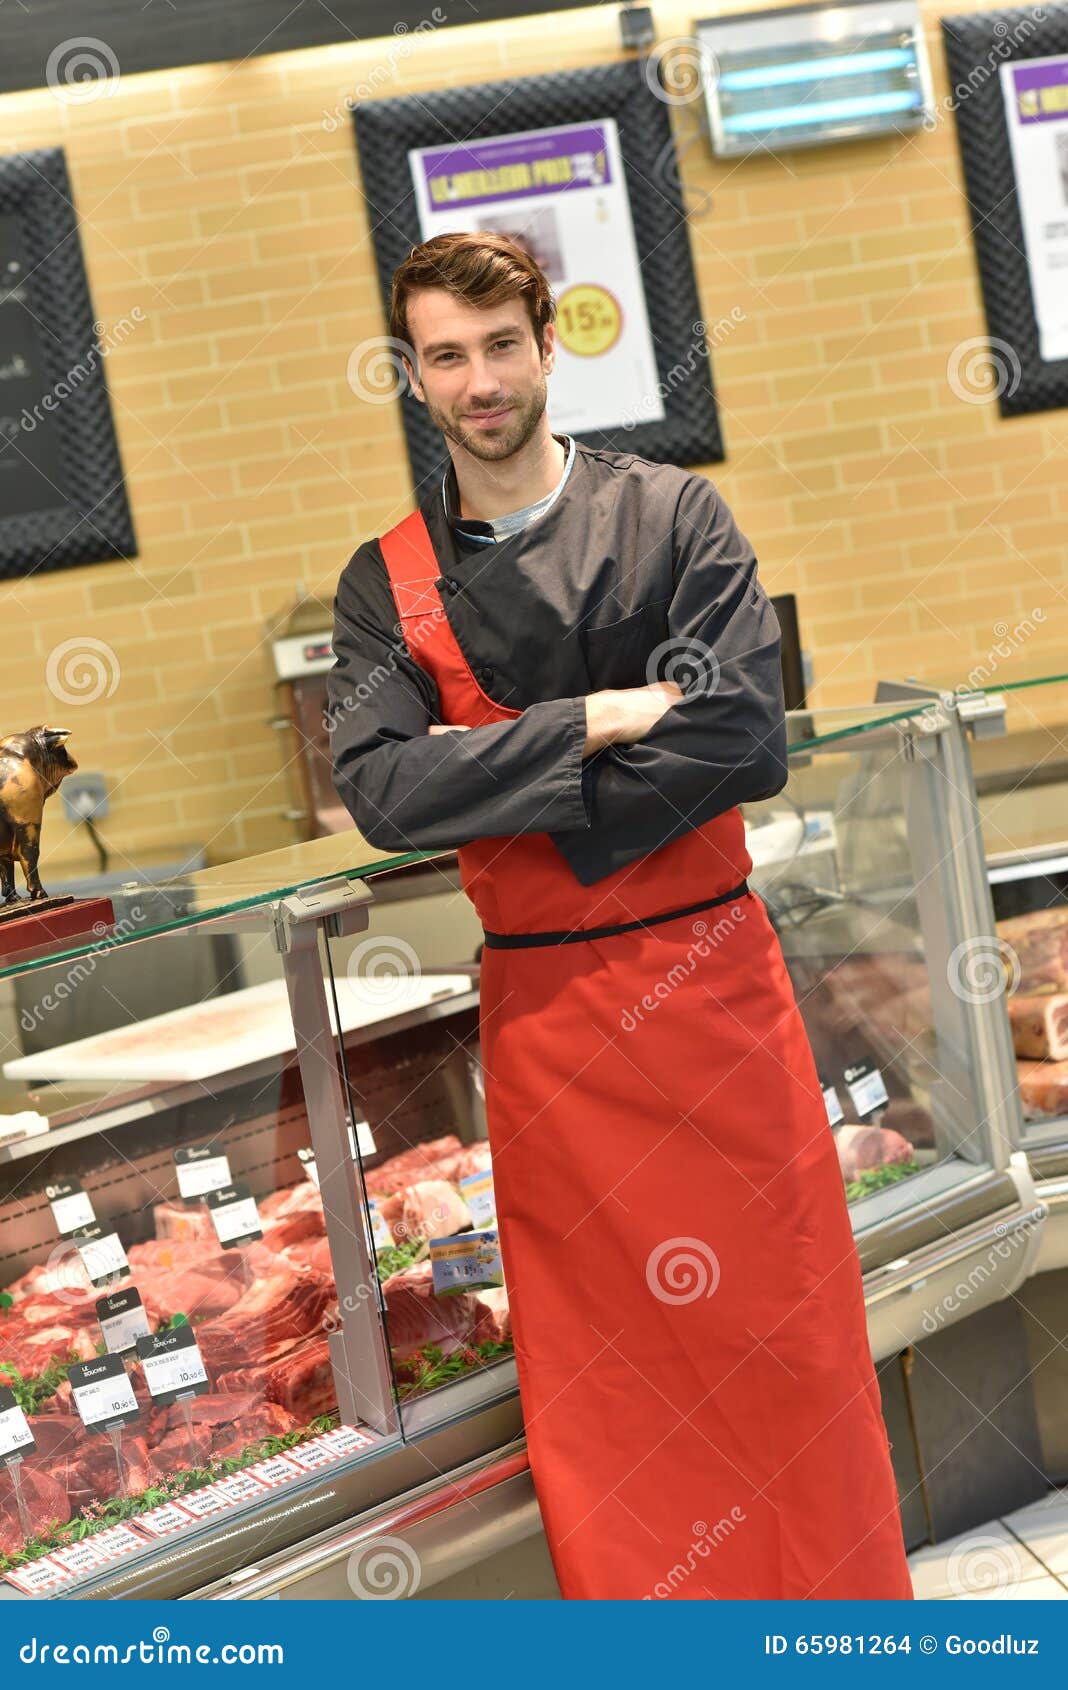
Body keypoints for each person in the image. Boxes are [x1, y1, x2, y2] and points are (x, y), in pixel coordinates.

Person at [327, 230, 914, 1601]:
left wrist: (499, 782)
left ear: (549, 345)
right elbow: (385, 793)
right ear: (412, 374)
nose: (481, 381)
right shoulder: (382, 583)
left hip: (716, 996)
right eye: (447, 357)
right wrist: (591, 719)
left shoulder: (674, 518)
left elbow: (742, 738)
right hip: (549, 1035)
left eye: (502, 346)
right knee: (613, 1393)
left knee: (788, 1351)